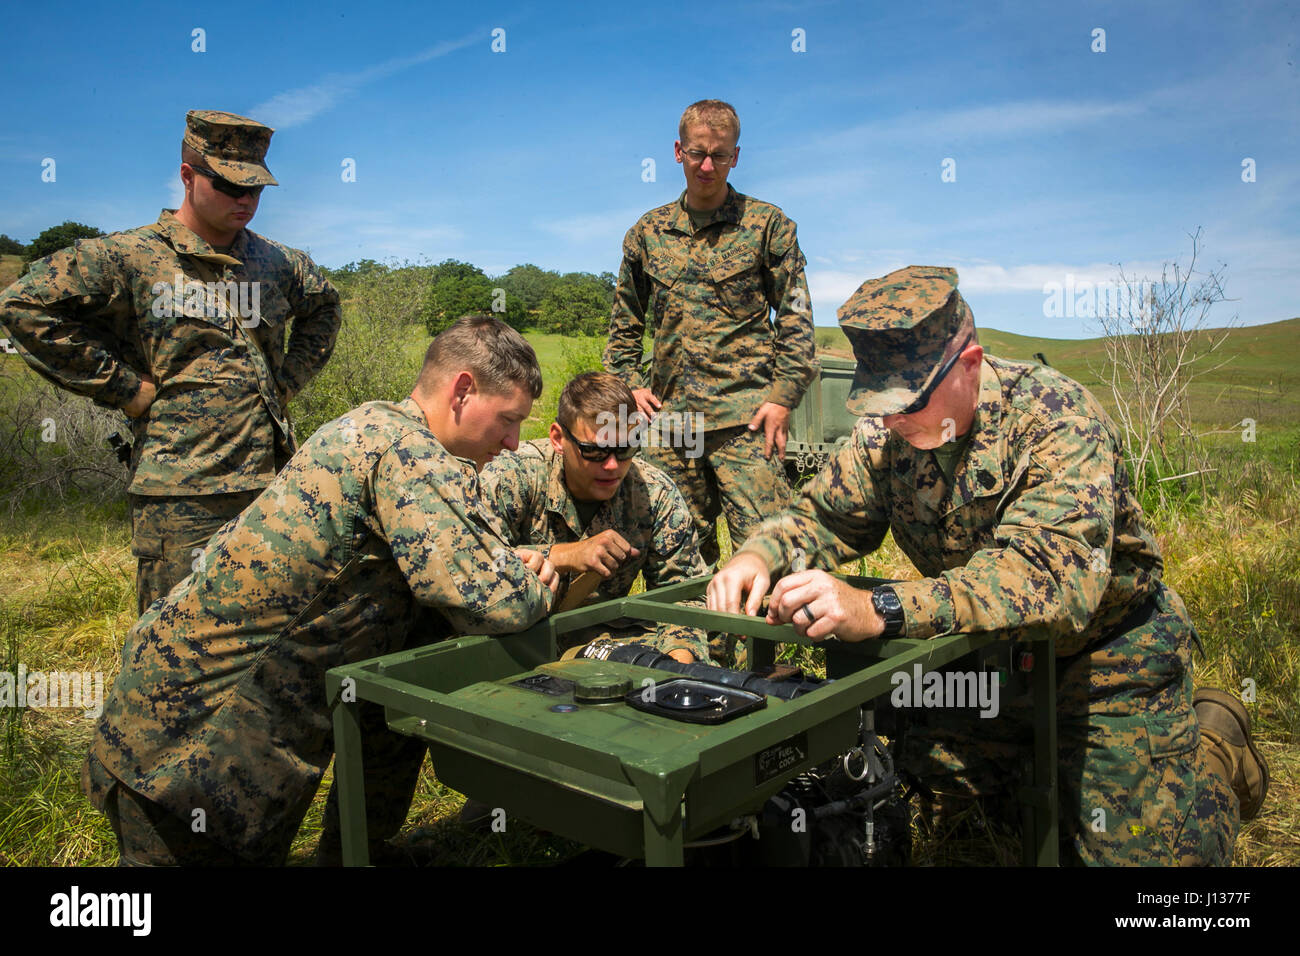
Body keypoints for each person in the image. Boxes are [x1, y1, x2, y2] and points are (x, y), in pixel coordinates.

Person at [707, 266, 1268, 865]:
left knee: (1142, 862)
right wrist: (759, 553)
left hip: (1105, 661)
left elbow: (1050, 582)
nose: (891, 419)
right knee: (914, 797)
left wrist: (879, 608)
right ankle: (1031, 763)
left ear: (969, 363)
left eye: (909, 401)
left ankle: (1215, 741)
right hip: (986, 662)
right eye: (878, 402)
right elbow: (821, 517)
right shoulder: (885, 434)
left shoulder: (1056, 417)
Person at [83, 315, 560, 866]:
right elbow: (493, 602)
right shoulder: (409, 451)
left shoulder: (374, 427)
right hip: (198, 740)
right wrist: (533, 582)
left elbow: (447, 566)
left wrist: (494, 563)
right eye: (508, 420)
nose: (512, 442)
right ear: (462, 390)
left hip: (180, 711)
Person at [0, 110, 342, 615]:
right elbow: (23, 306)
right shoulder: (129, 257)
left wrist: (284, 383)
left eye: (256, 189)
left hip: (271, 482)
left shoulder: (277, 262)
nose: (245, 200)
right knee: (172, 641)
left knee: (265, 632)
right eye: (228, 185)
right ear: (188, 176)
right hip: (181, 493)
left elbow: (325, 309)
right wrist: (123, 389)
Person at [603, 100, 817, 579]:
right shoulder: (647, 233)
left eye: (719, 156)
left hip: (747, 418)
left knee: (769, 551)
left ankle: (768, 655)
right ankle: (693, 652)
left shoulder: (768, 227)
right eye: (697, 153)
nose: (706, 166)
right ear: (677, 151)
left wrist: (783, 399)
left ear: (735, 157)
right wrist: (628, 383)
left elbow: (798, 319)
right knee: (680, 558)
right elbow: (624, 324)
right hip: (670, 422)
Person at [479, 372, 711, 663]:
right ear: (558, 438)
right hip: (510, 639)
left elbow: (682, 594)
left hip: (601, 641)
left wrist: (678, 668)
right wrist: (562, 556)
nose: (612, 465)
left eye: (625, 448)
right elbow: (473, 564)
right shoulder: (512, 476)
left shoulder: (654, 494)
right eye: (595, 451)